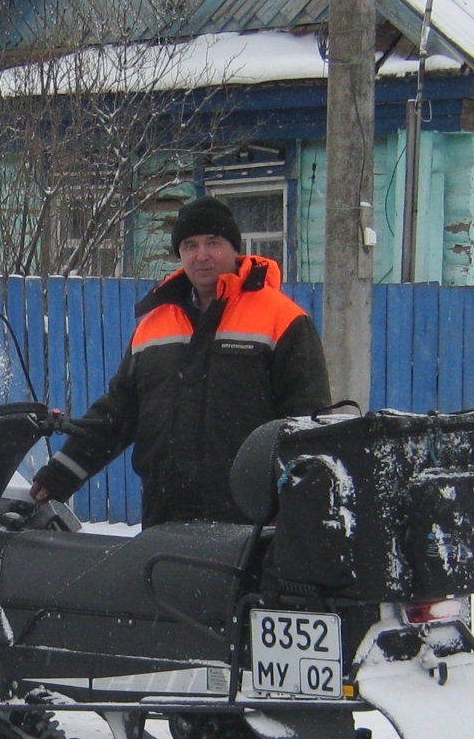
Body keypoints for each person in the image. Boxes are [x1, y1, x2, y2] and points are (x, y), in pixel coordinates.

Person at [30, 196, 331, 525]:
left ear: (234, 248)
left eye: (213, 242)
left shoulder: (283, 319)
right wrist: (62, 473)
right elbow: (117, 414)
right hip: (165, 514)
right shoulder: (154, 324)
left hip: (251, 521)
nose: (201, 255)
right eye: (190, 245)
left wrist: (303, 512)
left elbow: (308, 426)